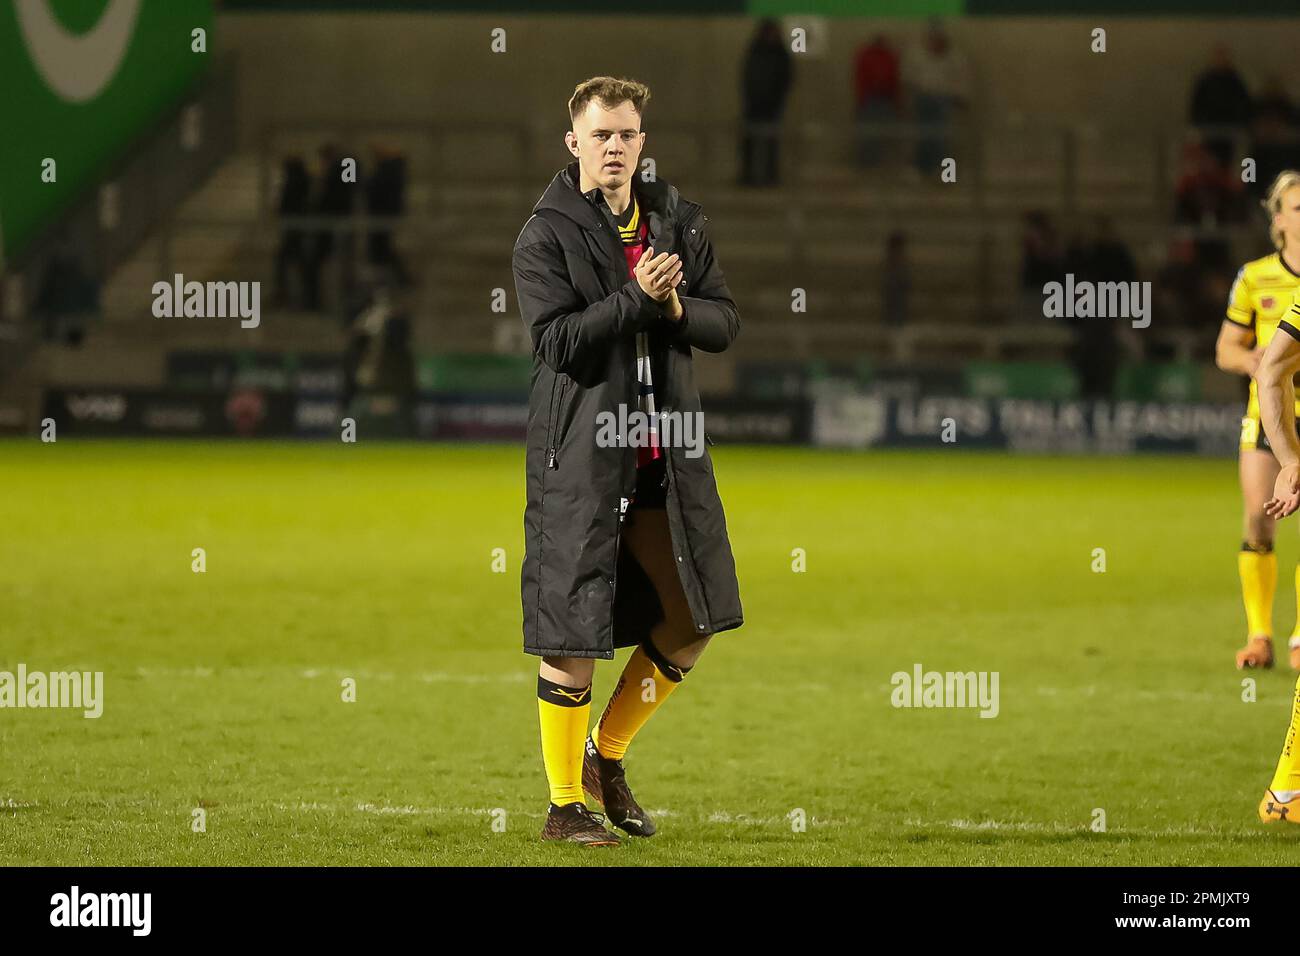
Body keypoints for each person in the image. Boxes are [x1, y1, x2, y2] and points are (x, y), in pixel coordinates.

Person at [512, 76, 744, 846]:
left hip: (664, 460)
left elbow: (723, 323)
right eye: (601, 134)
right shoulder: (544, 235)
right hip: (578, 460)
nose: (615, 147)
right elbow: (558, 344)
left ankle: (605, 757)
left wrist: (675, 307)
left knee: (694, 616)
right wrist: (638, 300)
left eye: (628, 134)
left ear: (643, 142)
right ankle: (562, 806)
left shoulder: (677, 219)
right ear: (573, 143)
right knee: (573, 629)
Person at [1213, 170, 1300, 671]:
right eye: (1296, 206)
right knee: (1259, 517)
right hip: (1267, 416)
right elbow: (1225, 348)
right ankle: (1259, 634)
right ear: (1278, 219)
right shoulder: (1255, 277)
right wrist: (1257, 363)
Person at [1237, 255, 1300, 825]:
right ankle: (1287, 791)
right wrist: (1290, 460)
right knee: (1258, 521)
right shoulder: (1257, 277)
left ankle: (1287, 792)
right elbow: (1267, 367)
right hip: (1278, 436)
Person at [903, 18, 970, 176]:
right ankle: (923, 172)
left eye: (938, 38)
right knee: (923, 138)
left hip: (944, 102)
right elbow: (908, 79)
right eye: (932, 38)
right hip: (923, 101)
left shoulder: (955, 58)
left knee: (944, 141)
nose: (935, 42)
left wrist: (961, 98)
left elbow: (961, 79)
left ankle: (948, 176)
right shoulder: (917, 55)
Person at [739, 19, 792, 187]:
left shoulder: (780, 54)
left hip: (771, 106)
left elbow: (786, 79)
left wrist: (777, 99)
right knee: (749, 141)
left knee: (771, 143)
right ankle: (748, 175)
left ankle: (770, 175)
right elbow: (748, 76)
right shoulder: (755, 51)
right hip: (754, 104)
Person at [1188, 44, 1252, 170]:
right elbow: (1197, 105)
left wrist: (1240, 122)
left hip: (1230, 129)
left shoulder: (1235, 81)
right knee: (1209, 161)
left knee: (1228, 162)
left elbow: (1243, 103)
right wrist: (1199, 123)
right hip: (1208, 129)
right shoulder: (1205, 81)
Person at [853, 34, 901, 168]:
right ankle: (867, 163)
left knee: (880, 133)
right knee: (868, 134)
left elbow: (893, 81)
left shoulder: (888, 56)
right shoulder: (867, 55)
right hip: (872, 99)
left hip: (883, 99)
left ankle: (875, 163)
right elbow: (861, 79)